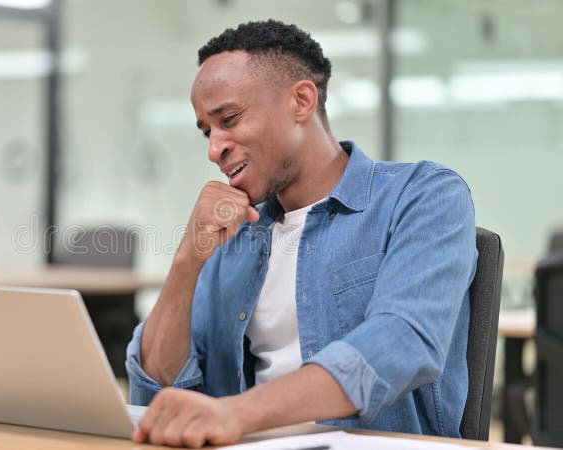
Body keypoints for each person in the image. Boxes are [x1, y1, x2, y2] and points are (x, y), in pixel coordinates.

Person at [126, 19, 477, 448]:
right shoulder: (236, 231)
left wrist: (239, 414)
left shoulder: (422, 196)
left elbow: (401, 342)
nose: (214, 149)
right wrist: (188, 259)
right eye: (207, 131)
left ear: (301, 101)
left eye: (229, 119)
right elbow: (156, 388)